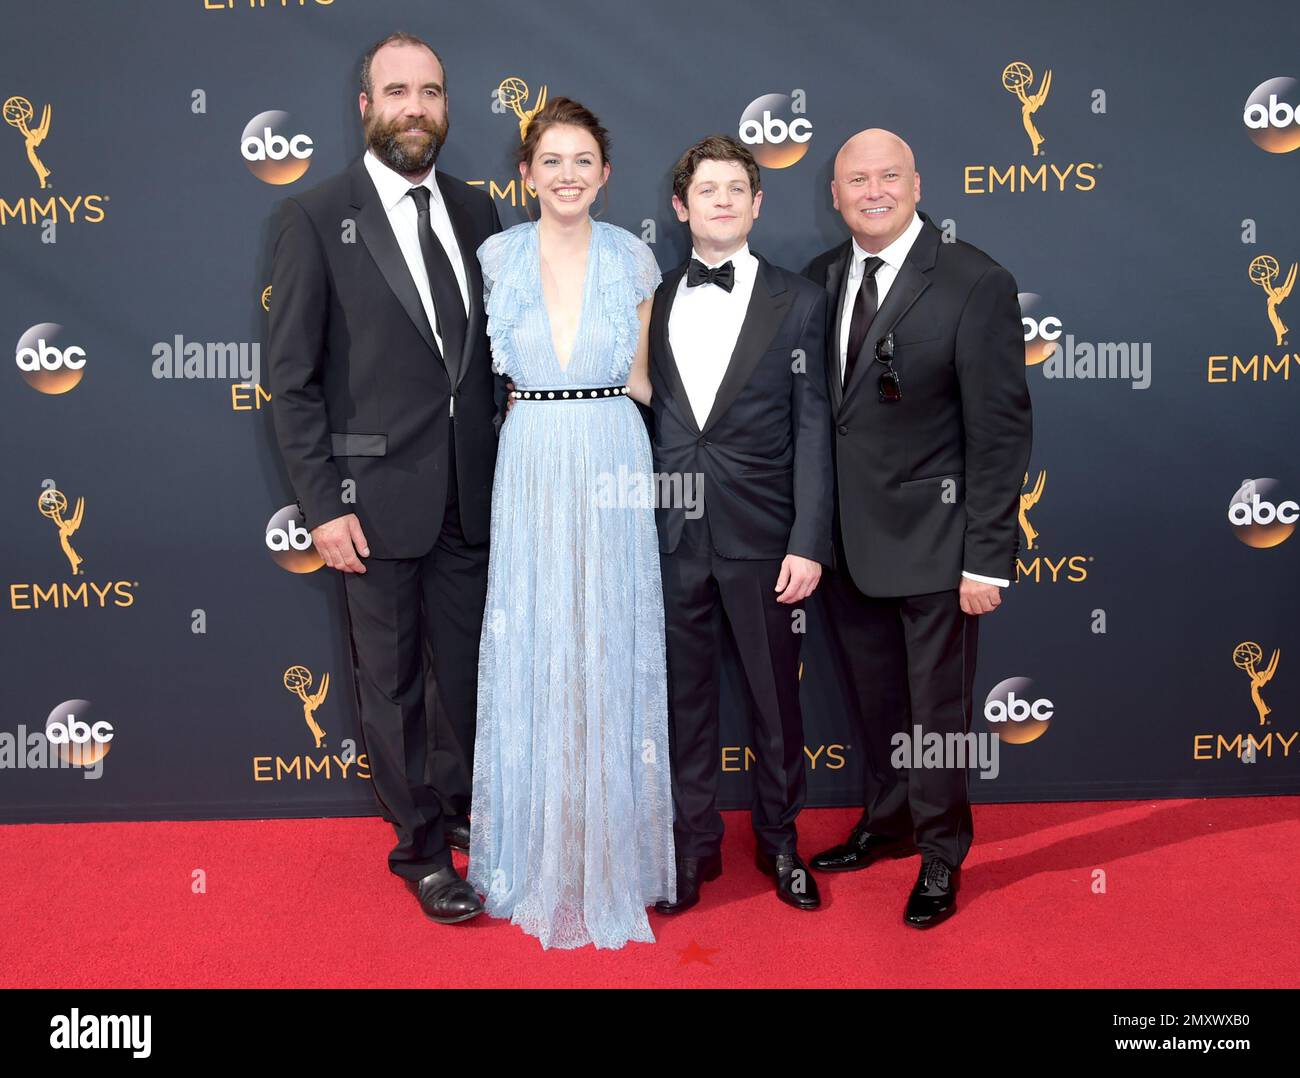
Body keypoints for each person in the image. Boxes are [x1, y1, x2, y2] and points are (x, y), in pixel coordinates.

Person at [267, 32, 502, 924]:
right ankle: (420, 850)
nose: (416, 107)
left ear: (446, 107)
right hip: (371, 503)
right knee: (394, 682)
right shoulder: (316, 216)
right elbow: (290, 380)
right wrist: (323, 506)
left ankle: (471, 814)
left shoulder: (481, 212)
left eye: (431, 92)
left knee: (472, 675)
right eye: (397, 91)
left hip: (472, 496)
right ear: (364, 107)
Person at [802, 129, 1032, 928]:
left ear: (916, 183)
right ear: (833, 193)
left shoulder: (975, 282)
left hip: (940, 545)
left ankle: (941, 853)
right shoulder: (823, 278)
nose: (872, 191)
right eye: (855, 179)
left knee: (938, 715)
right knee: (875, 703)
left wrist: (988, 560)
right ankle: (889, 822)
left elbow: (1000, 433)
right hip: (847, 550)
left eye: (887, 177)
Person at [467, 97, 675, 950]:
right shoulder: (495, 257)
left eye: (582, 160)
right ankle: (534, 845)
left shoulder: (634, 260)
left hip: (612, 453)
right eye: (551, 160)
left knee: (608, 639)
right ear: (526, 173)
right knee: (538, 640)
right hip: (531, 459)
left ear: (605, 174)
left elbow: (644, 383)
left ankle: (610, 854)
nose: (567, 175)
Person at [648, 136, 832, 915]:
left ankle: (781, 842)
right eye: (707, 189)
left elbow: (817, 427)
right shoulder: (649, 298)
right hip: (667, 539)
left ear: (758, 205)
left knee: (774, 704)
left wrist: (808, 539)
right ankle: (691, 852)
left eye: (736, 189)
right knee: (681, 705)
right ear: (680, 206)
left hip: (765, 537)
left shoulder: (802, 300)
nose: (721, 200)